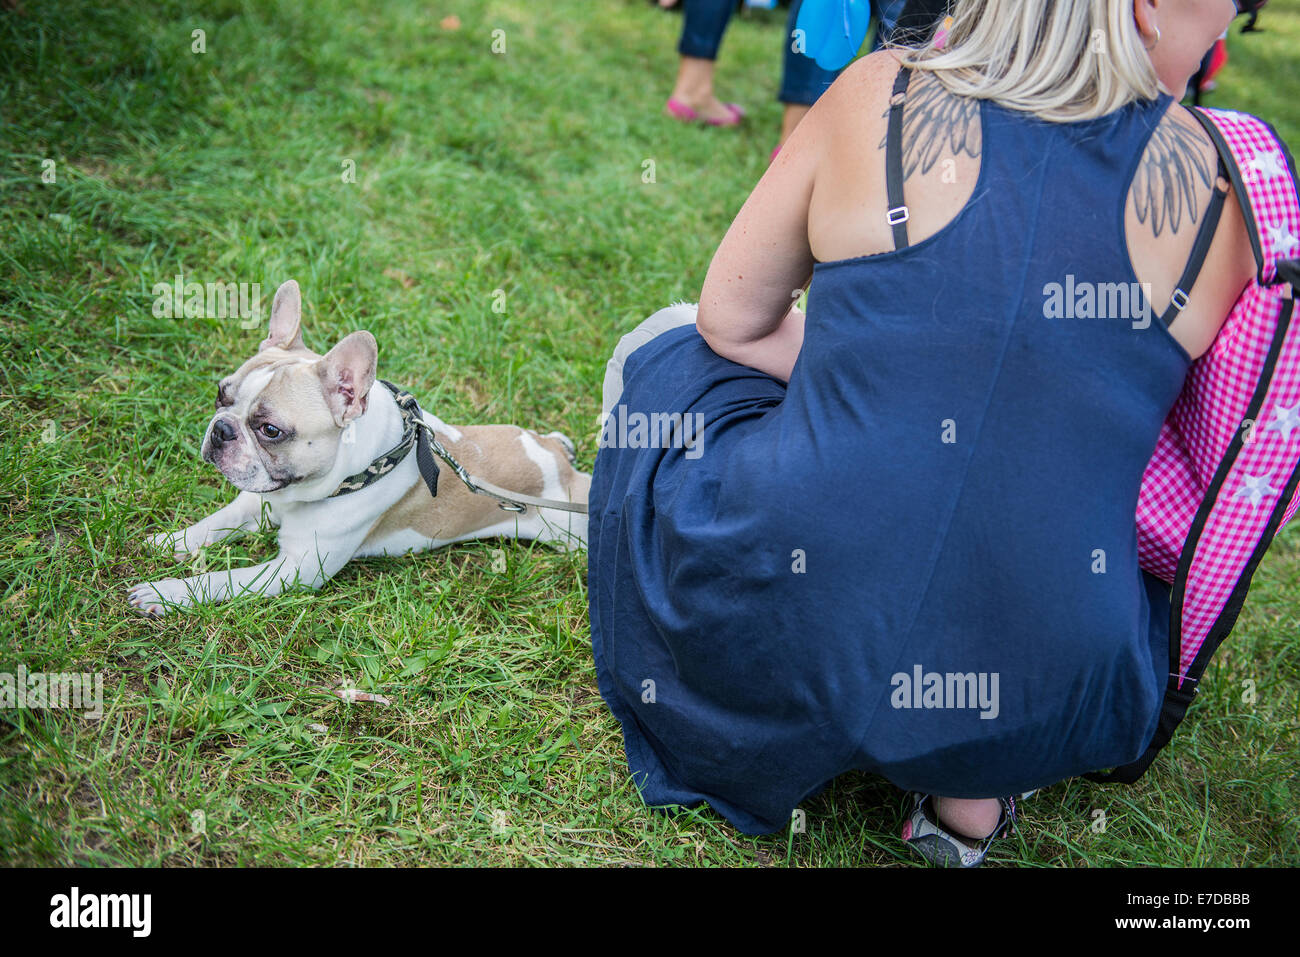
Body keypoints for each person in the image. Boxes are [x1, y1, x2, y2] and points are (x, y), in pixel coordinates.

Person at [591, 0, 1262, 865]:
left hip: (786, 616)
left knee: (668, 343)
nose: (1236, 12)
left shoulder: (883, 89)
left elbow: (733, 323)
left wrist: (877, 377)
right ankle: (969, 799)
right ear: (1143, 6)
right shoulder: (1233, 198)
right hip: (1058, 674)